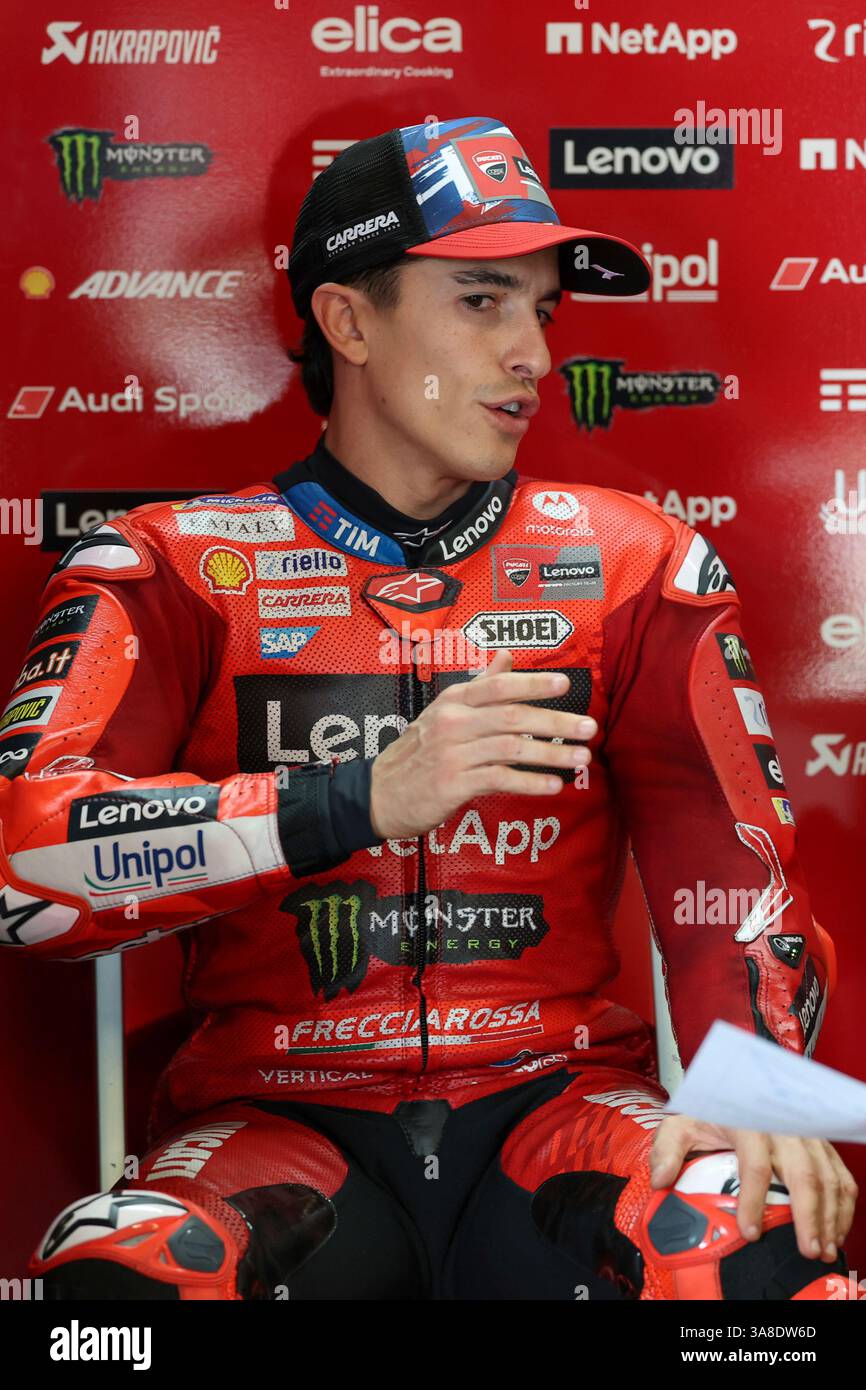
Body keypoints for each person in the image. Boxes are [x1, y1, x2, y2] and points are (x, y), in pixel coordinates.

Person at [2, 116, 855, 1300]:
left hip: (556, 1103)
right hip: (272, 1119)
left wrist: (755, 1096)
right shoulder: (168, 567)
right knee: (122, 1289)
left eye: (542, 311)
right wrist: (355, 799)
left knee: (756, 1248)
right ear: (347, 320)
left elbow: (733, 862)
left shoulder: (633, 562)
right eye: (481, 301)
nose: (534, 356)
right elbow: (27, 872)